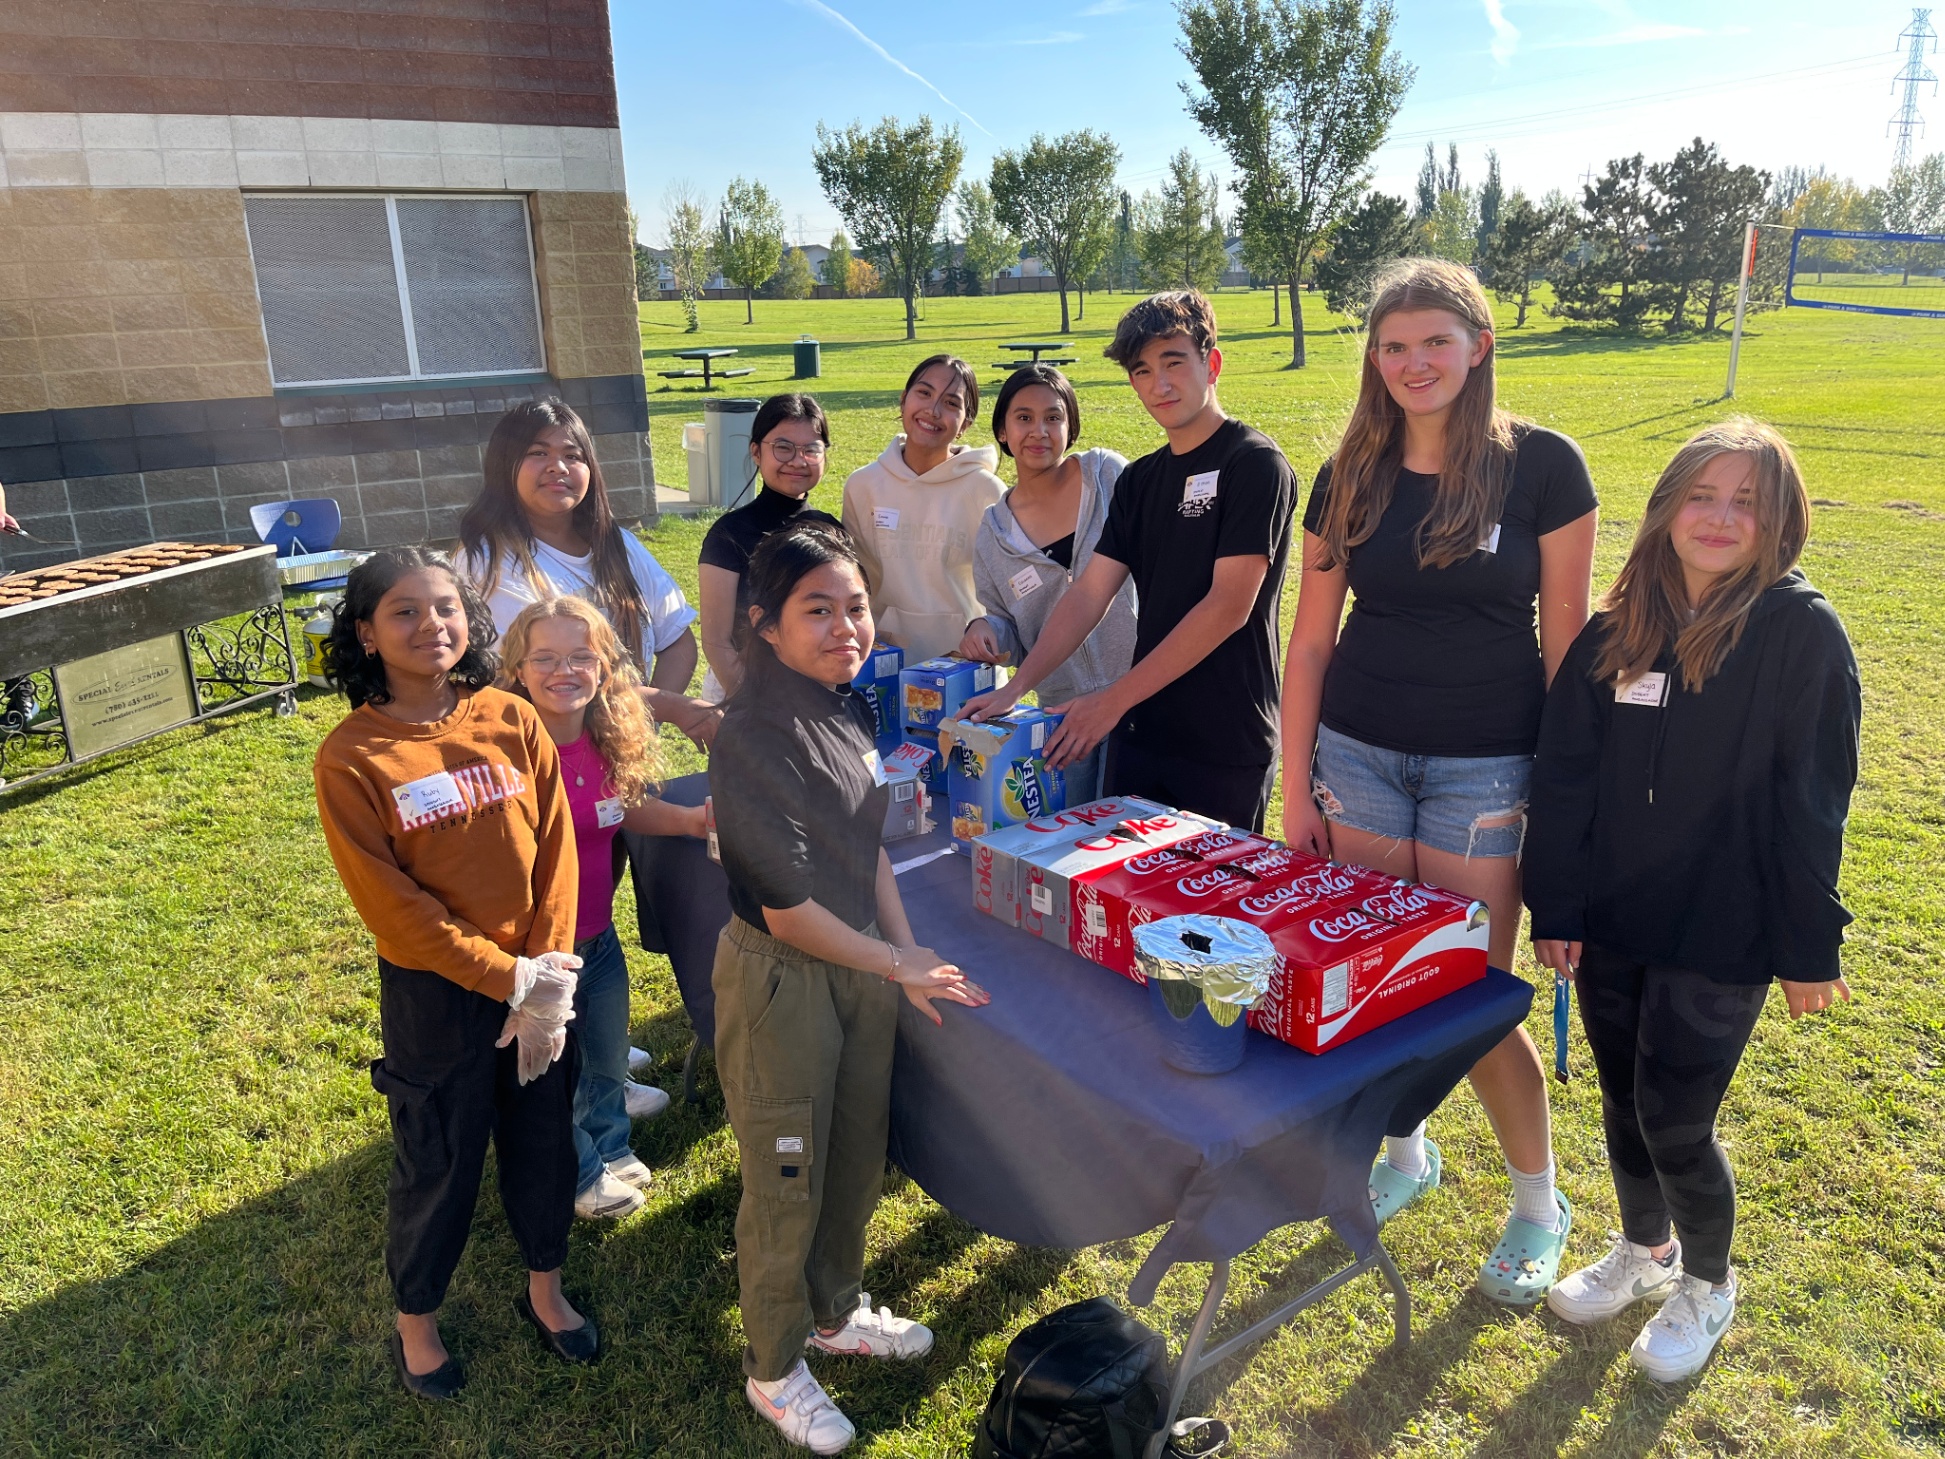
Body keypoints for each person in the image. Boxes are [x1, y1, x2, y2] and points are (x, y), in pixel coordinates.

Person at [1278, 257, 1600, 1305]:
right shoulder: (1348, 473)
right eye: (1393, 345)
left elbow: (1566, 642)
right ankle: (1406, 1149)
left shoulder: (1544, 467)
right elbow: (1310, 643)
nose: (1413, 363)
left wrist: (1564, 791)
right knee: (1383, 977)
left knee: (1466, 993)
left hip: (1488, 768)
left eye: (1434, 342)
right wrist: (1294, 791)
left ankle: (1537, 1201)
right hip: (1358, 761)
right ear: (1373, 358)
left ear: (1479, 346)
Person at [1528, 420, 1859, 1380]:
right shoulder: (1616, 626)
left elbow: (1812, 803)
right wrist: (1557, 907)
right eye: (1701, 495)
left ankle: (1707, 1282)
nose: (1718, 518)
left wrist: (1808, 947)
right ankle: (1644, 1250)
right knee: (1624, 1103)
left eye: (1744, 501)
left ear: (1778, 521)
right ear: (1667, 505)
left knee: (1676, 1115)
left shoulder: (1801, 633)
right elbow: (1564, 778)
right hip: (1612, 918)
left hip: (1724, 927)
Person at [708, 521, 989, 1454]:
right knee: (787, 1174)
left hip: (861, 962)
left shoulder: (847, 706)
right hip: (784, 980)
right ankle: (775, 1364)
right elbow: (785, 908)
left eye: (855, 606)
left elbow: (863, 851)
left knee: (856, 1153)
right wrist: (893, 962)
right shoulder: (751, 734)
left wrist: (900, 954)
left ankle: (833, 1312)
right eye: (816, 610)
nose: (844, 627)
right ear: (765, 624)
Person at [311, 547, 596, 1399]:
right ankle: (418, 1322)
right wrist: (505, 978)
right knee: (438, 1155)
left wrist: (543, 976)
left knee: (543, 1139)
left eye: (446, 608)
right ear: (365, 631)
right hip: (438, 996)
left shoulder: (509, 715)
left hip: (540, 978)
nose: (431, 626)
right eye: (404, 611)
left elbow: (556, 846)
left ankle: (545, 1288)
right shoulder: (351, 757)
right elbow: (394, 908)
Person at [965, 291, 1297, 833]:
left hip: (1223, 739)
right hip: (1141, 734)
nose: (1159, 384)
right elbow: (1089, 593)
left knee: (1205, 911)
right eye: (1142, 370)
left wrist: (1109, 701)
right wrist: (1015, 686)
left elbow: (1228, 606)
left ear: (1211, 363)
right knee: (1123, 902)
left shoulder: (1254, 464)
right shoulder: (1141, 480)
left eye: (1174, 362)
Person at [499, 596, 709, 1221]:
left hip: (597, 937)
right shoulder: (509, 751)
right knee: (552, 1072)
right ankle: (579, 1171)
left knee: (608, 1055)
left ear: (602, 667)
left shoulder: (600, 736)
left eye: (580, 656)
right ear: (517, 668)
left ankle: (610, 1146)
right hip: (539, 952)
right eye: (545, 658)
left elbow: (621, 809)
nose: (564, 671)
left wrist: (695, 821)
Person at [456, 399, 719, 748]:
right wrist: (671, 706)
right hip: (543, 757)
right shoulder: (485, 561)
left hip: (625, 752)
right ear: (505, 465)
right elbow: (541, 679)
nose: (558, 467)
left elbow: (677, 640)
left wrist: (635, 721)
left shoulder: (618, 544)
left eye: (573, 455)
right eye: (538, 453)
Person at [957, 364, 1135, 805]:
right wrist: (986, 630)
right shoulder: (993, 533)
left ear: (1070, 426)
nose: (1039, 431)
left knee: (1138, 839)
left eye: (1053, 417)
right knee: (1074, 844)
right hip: (1062, 719)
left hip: (1140, 698)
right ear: (1002, 430)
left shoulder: (1108, 476)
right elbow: (1009, 631)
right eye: (1024, 418)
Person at [841, 354, 1007, 664]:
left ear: (965, 424)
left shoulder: (986, 492)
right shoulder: (862, 486)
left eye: (951, 403)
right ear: (904, 400)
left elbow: (1005, 592)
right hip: (882, 662)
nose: (933, 410)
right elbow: (851, 581)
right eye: (924, 393)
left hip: (961, 664)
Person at [698, 393, 842, 699]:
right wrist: (752, 706)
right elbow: (715, 640)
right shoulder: (729, 534)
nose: (798, 461)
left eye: (811, 449)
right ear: (756, 452)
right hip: (743, 690)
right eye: (783, 447)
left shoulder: (832, 530)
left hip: (818, 690)